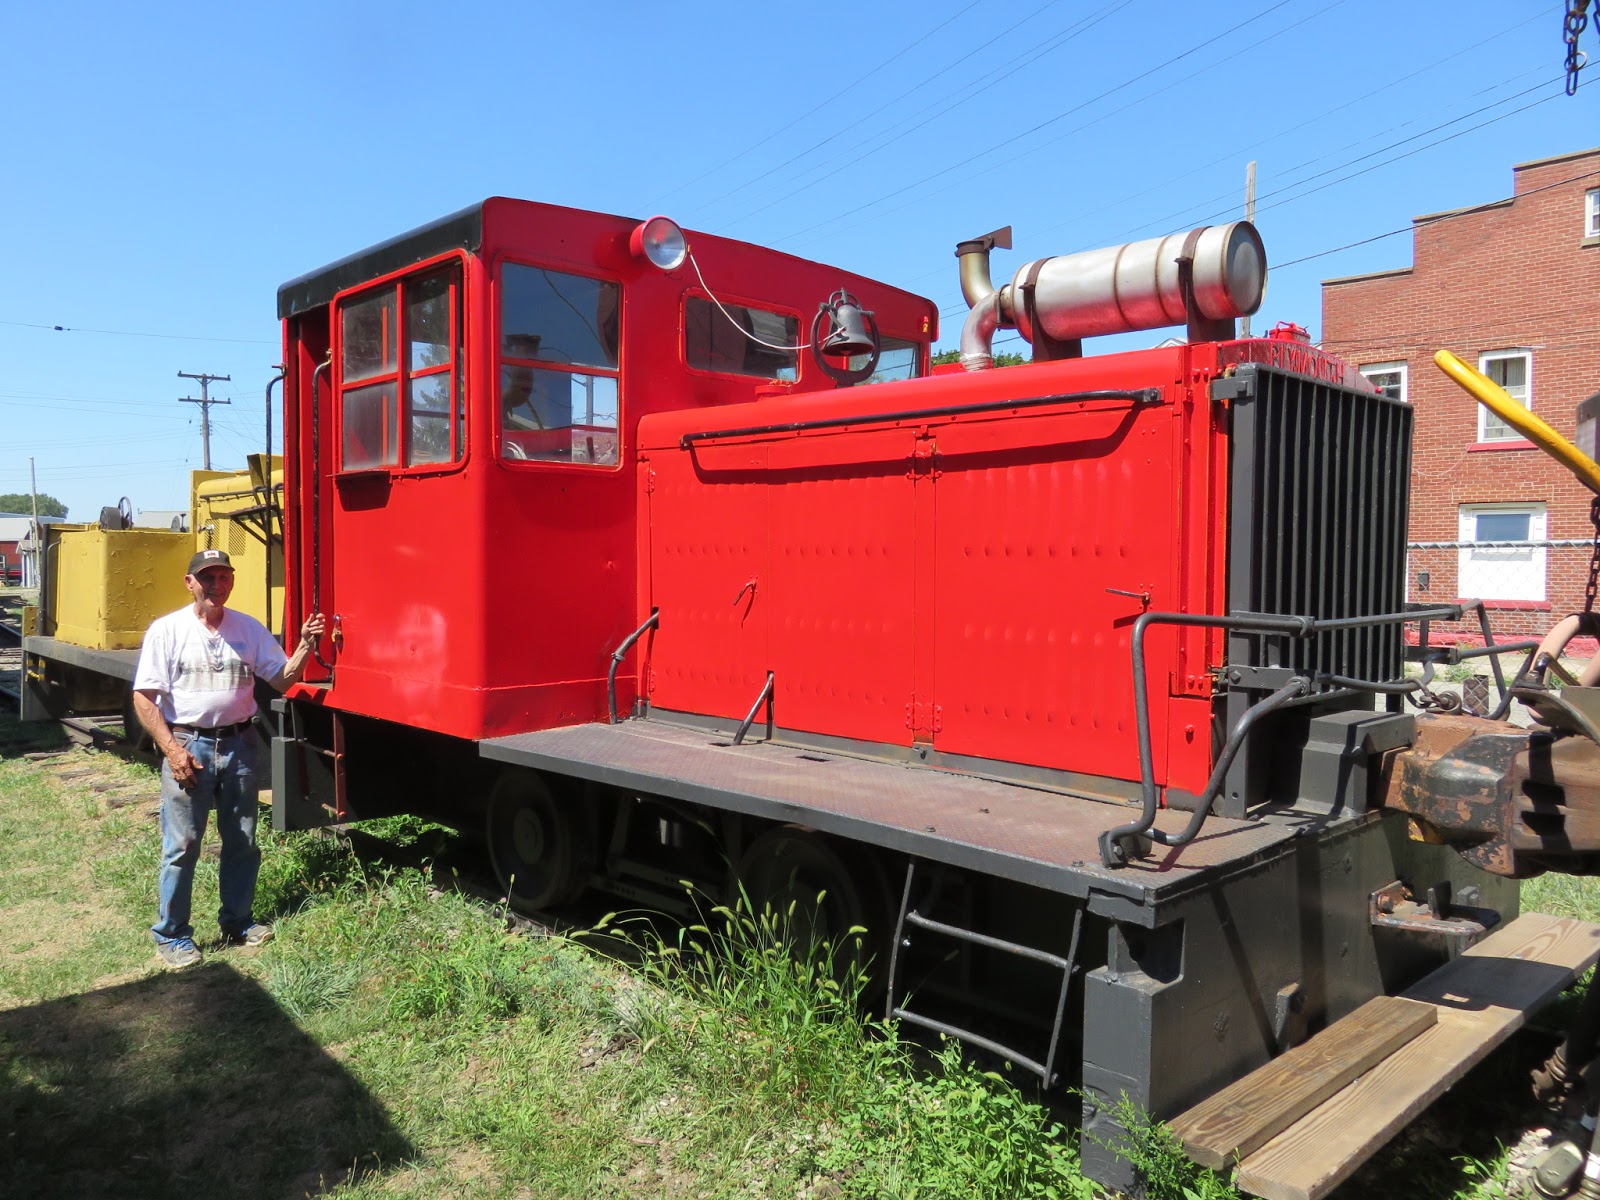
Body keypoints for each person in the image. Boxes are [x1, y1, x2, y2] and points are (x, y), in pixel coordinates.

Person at [132, 548, 326, 969]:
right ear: (190, 583)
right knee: (183, 844)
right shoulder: (167, 631)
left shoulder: (248, 629)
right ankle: (172, 934)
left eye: (223, 577)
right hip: (189, 745)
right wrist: (172, 750)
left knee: (242, 840)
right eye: (207, 578)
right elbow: (144, 697)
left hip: (240, 745)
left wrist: (306, 645)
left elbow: (281, 678)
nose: (216, 586)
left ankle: (238, 922)